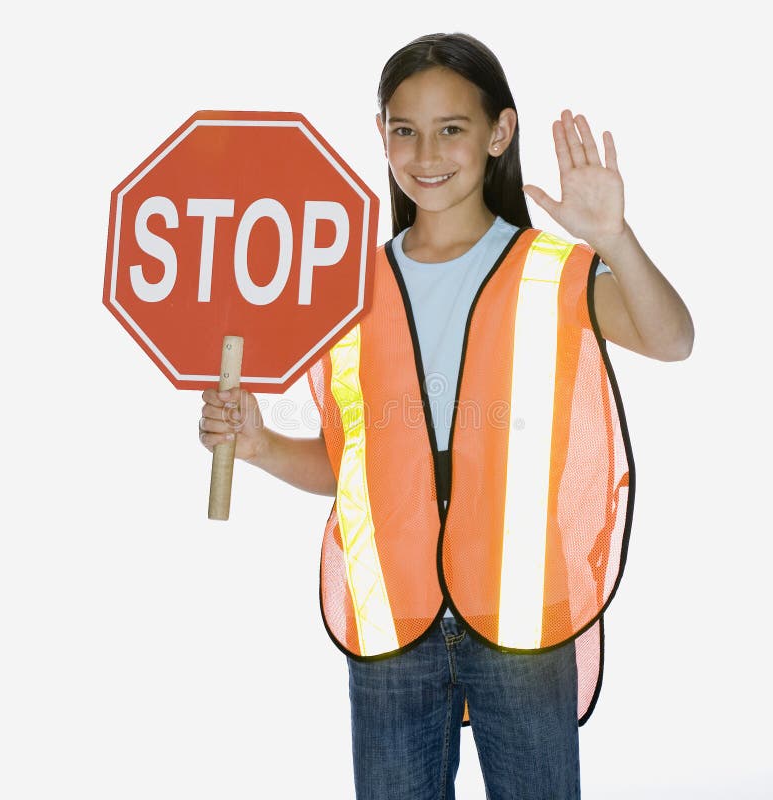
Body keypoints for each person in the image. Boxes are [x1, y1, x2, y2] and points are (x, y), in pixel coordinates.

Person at [198, 32, 694, 800]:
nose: (426, 152)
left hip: (522, 620)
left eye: (452, 129)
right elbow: (351, 469)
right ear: (382, 137)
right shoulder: (347, 290)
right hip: (393, 623)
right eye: (405, 130)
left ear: (500, 133)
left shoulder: (552, 271)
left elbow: (673, 339)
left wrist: (614, 239)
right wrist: (260, 445)